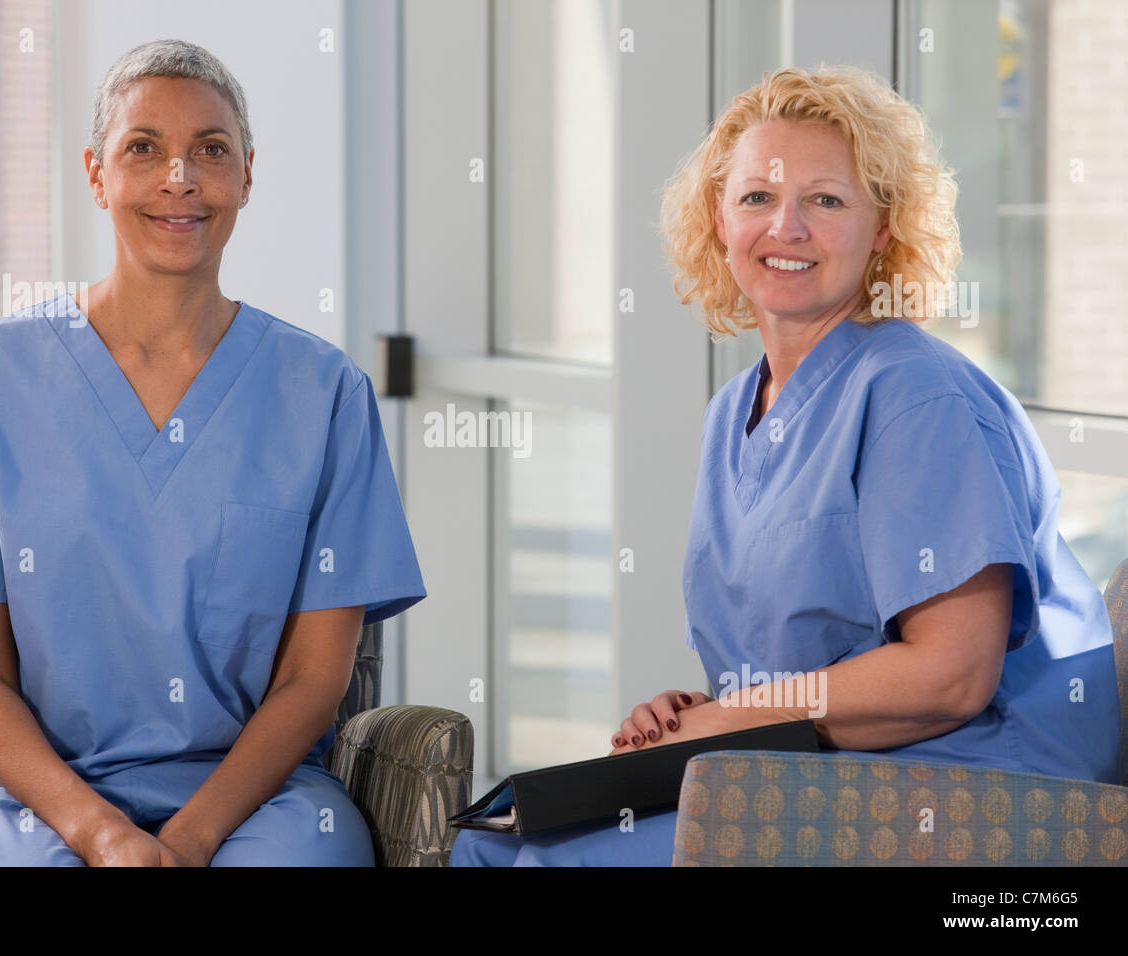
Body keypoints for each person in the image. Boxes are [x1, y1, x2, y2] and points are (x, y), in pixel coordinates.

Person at [450, 64, 1120, 867]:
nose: (787, 228)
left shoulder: (917, 396)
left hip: (980, 795)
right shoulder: (737, 408)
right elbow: (810, 669)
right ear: (720, 219)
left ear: (883, 227)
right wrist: (699, 715)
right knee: (493, 847)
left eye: (827, 200)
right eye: (758, 197)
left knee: (555, 864)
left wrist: (734, 722)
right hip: (825, 772)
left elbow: (950, 678)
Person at [0, 39, 425, 866]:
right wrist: (98, 832)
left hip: (253, 801)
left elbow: (315, 679)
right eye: (145, 149)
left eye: (211, 150)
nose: (181, 177)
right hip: (18, 798)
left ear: (247, 174)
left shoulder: (324, 394)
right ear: (97, 174)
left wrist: (197, 835)